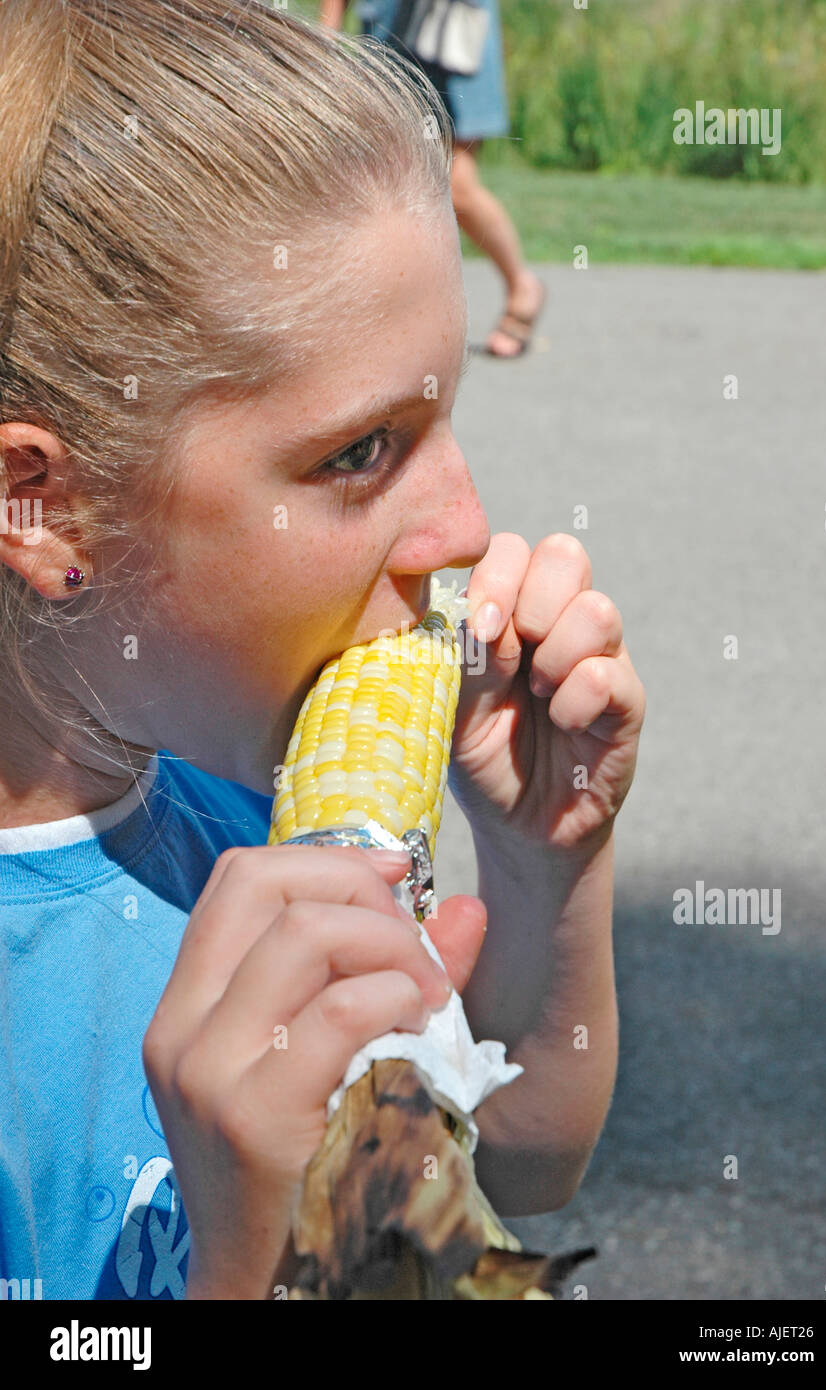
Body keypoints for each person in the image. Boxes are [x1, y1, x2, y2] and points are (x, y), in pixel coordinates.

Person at [0, 0, 644, 1300]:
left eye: (447, 414)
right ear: (43, 506)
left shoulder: (258, 808)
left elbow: (515, 1165)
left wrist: (543, 869)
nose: (463, 525)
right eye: (360, 452)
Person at [320, 0, 546, 358]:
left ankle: (521, 285)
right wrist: (328, 29)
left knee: (458, 188)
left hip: (453, 27)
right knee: (382, 182)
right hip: (389, 27)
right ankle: (393, 315)